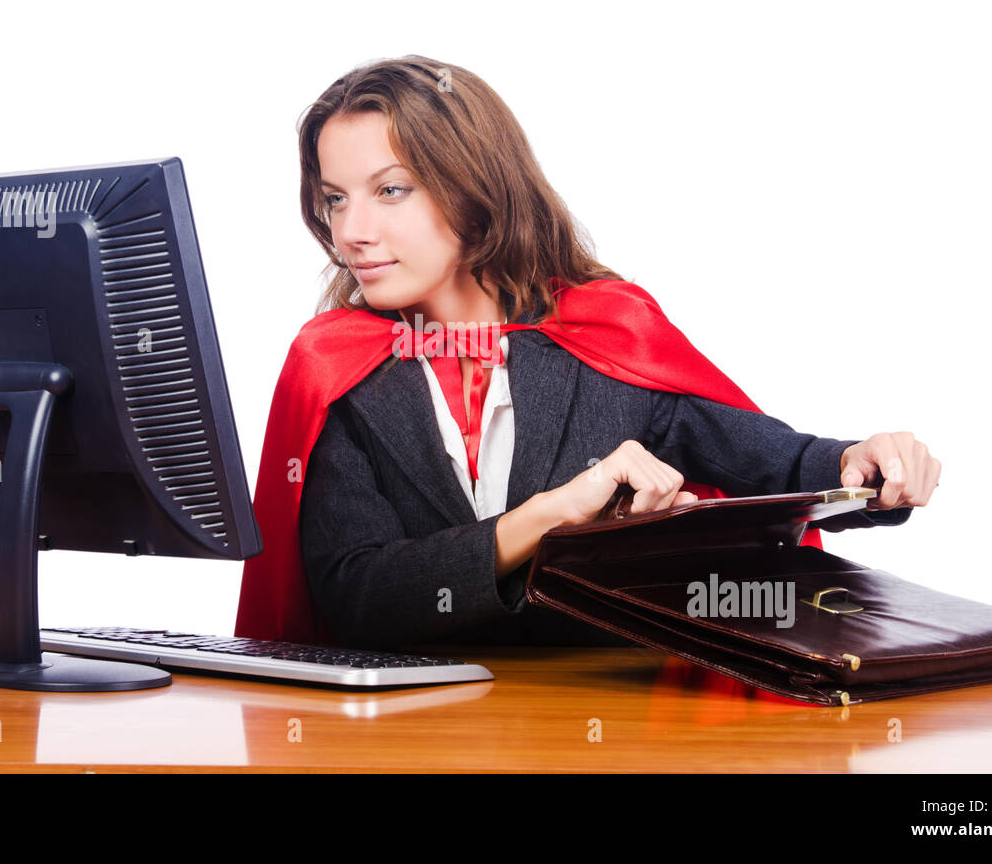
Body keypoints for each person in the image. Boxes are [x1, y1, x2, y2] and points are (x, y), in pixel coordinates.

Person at [233, 55, 940, 651]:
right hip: (406, 741)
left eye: (390, 191)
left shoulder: (608, 335)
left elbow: (776, 466)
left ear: (475, 191)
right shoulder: (334, 371)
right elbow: (358, 598)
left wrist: (858, 464)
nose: (351, 230)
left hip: (599, 729)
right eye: (333, 199)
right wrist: (545, 518)